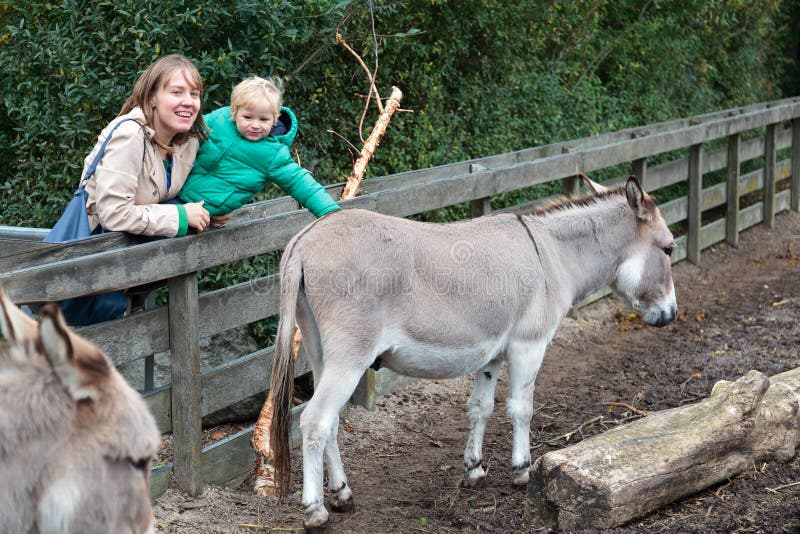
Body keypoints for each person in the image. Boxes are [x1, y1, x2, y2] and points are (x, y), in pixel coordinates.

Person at [85, 54, 213, 237]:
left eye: (194, 94)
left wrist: (213, 211)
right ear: (152, 97)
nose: (188, 102)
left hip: (147, 258)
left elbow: (187, 197)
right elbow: (114, 214)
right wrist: (180, 216)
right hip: (95, 254)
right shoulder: (129, 137)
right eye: (177, 92)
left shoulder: (188, 143)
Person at [178, 76, 340, 219]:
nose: (255, 125)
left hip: (206, 209)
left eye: (264, 120)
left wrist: (329, 212)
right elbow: (185, 131)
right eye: (248, 117)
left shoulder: (273, 154)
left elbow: (300, 183)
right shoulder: (219, 119)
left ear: (275, 119)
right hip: (175, 187)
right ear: (234, 112)